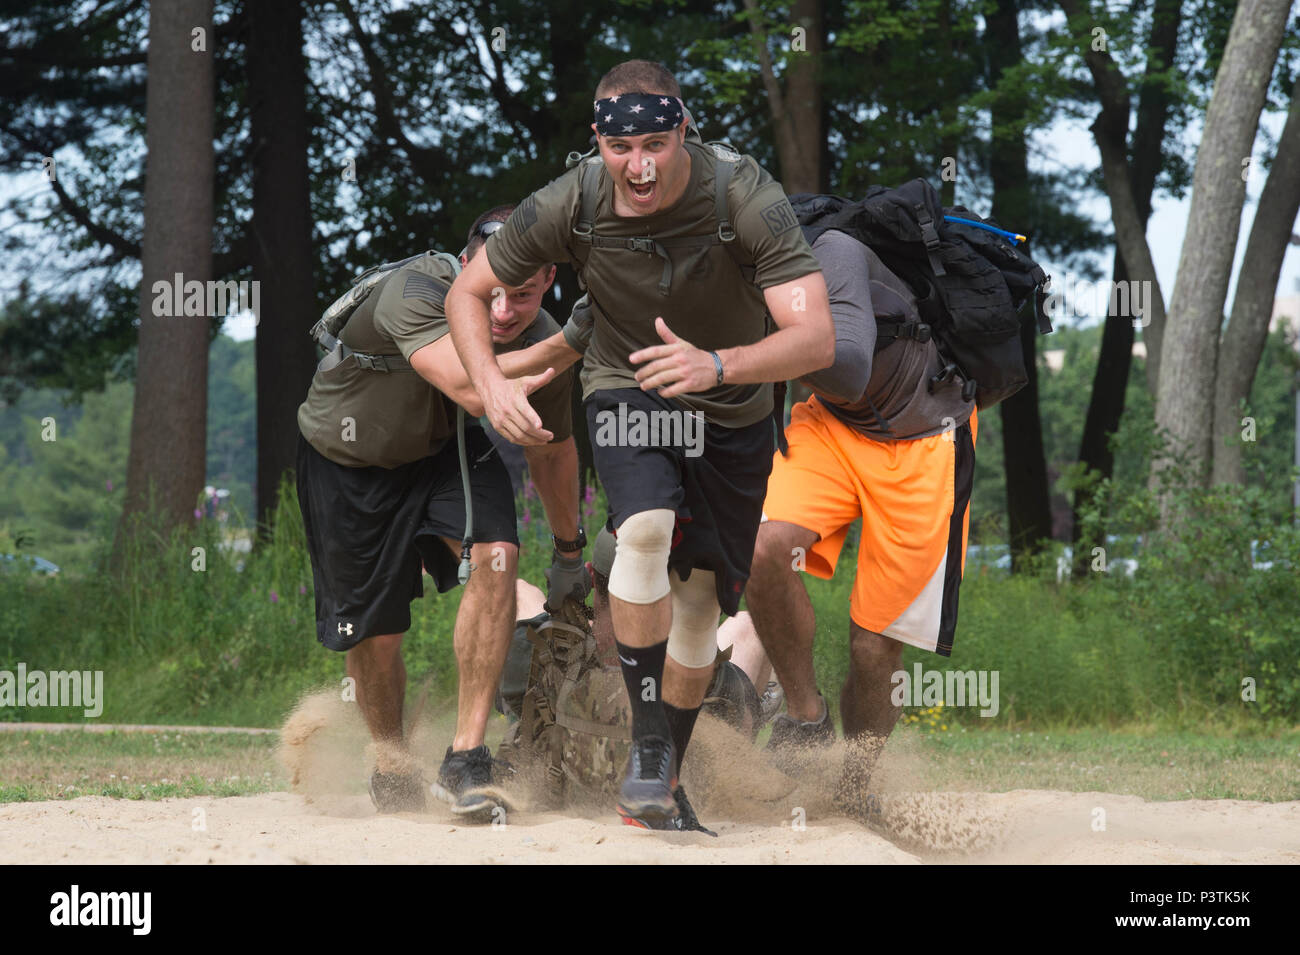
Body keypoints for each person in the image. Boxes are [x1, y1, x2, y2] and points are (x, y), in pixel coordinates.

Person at [446, 59, 834, 831]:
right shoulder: (571, 199)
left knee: (697, 604)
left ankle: (660, 777)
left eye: (658, 141)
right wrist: (488, 381)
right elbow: (466, 290)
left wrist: (718, 363)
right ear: (598, 140)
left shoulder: (741, 194)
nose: (642, 164)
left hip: (734, 408)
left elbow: (815, 337)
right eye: (623, 148)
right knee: (646, 529)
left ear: (683, 128)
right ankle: (649, 749)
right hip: (628, 384)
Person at [295, 205, 588, 817]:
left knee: (499, 556)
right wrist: (564, 345)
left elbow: (554, 450)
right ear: (466, 270)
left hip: (441, 451)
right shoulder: (418, 290)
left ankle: (466, 759)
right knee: (376, 636)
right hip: (348, 460)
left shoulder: (546, 337)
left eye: (526, 296)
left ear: (550, 281)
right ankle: (391, 759)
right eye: (493, 295)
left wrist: (569, 555)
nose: (506, 314)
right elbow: (465, 385)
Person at [741, 224, 978, 819]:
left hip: (927, 439)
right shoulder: (724, 271)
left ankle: (852, 789)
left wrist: (728, 358)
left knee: (874, 645)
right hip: (834, 425)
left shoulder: (833, 253)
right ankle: (805, 719)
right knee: (760, 548)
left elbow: (844, 368)